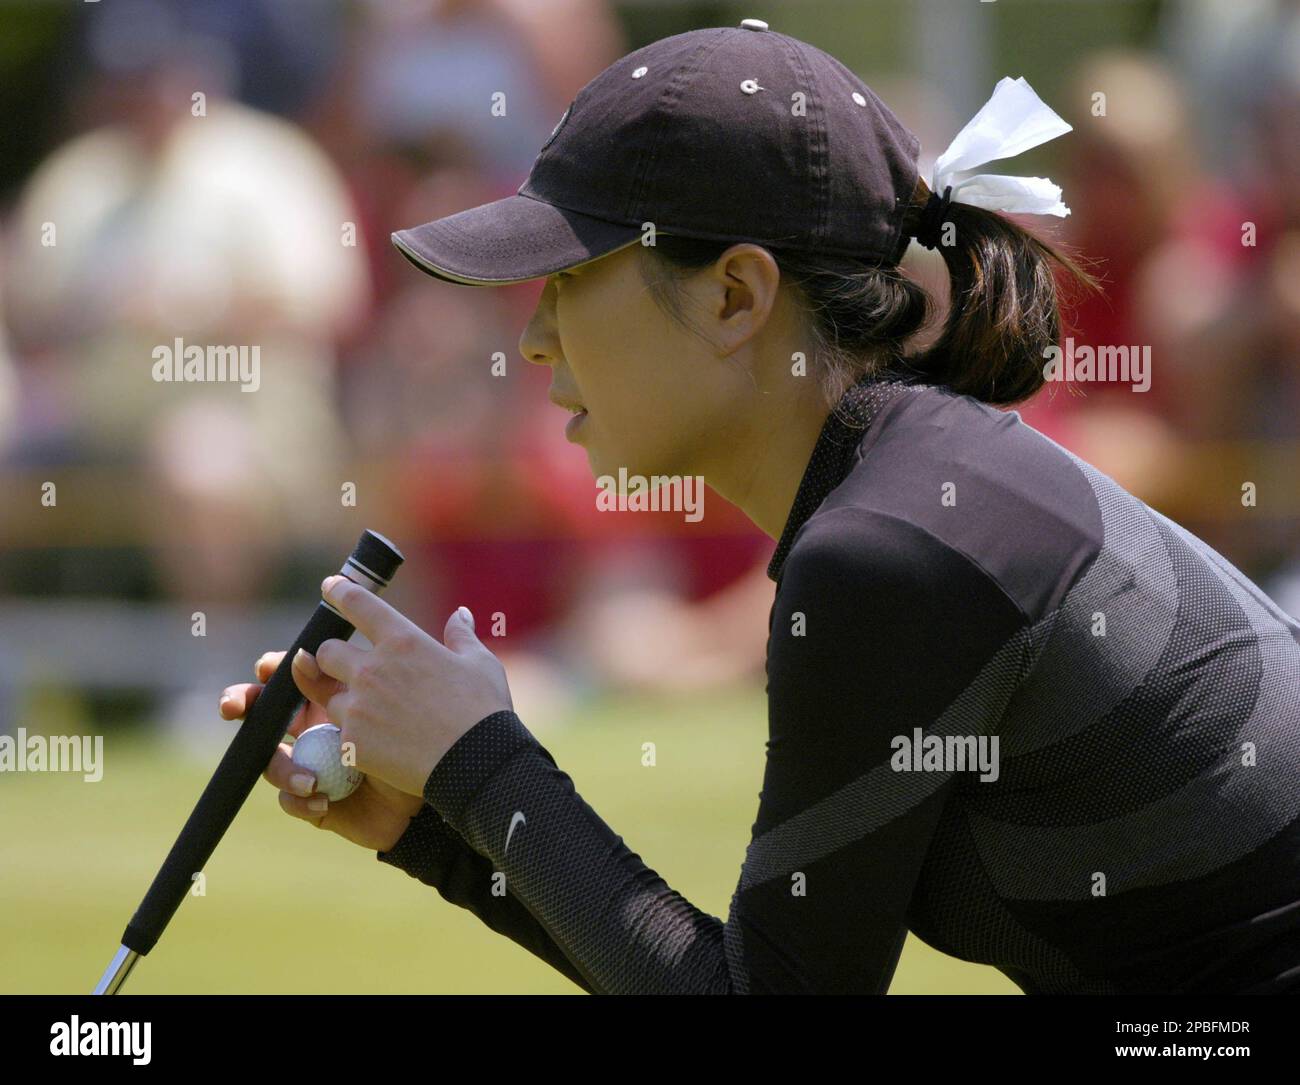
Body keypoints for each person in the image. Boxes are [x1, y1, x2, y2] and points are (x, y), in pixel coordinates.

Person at [219, 23, 1300, 994]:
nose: (535, 336)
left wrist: (477, 757)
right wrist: (442, 825)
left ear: (736, 295)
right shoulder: (898, 492)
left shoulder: (885, 549)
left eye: (568, 276)